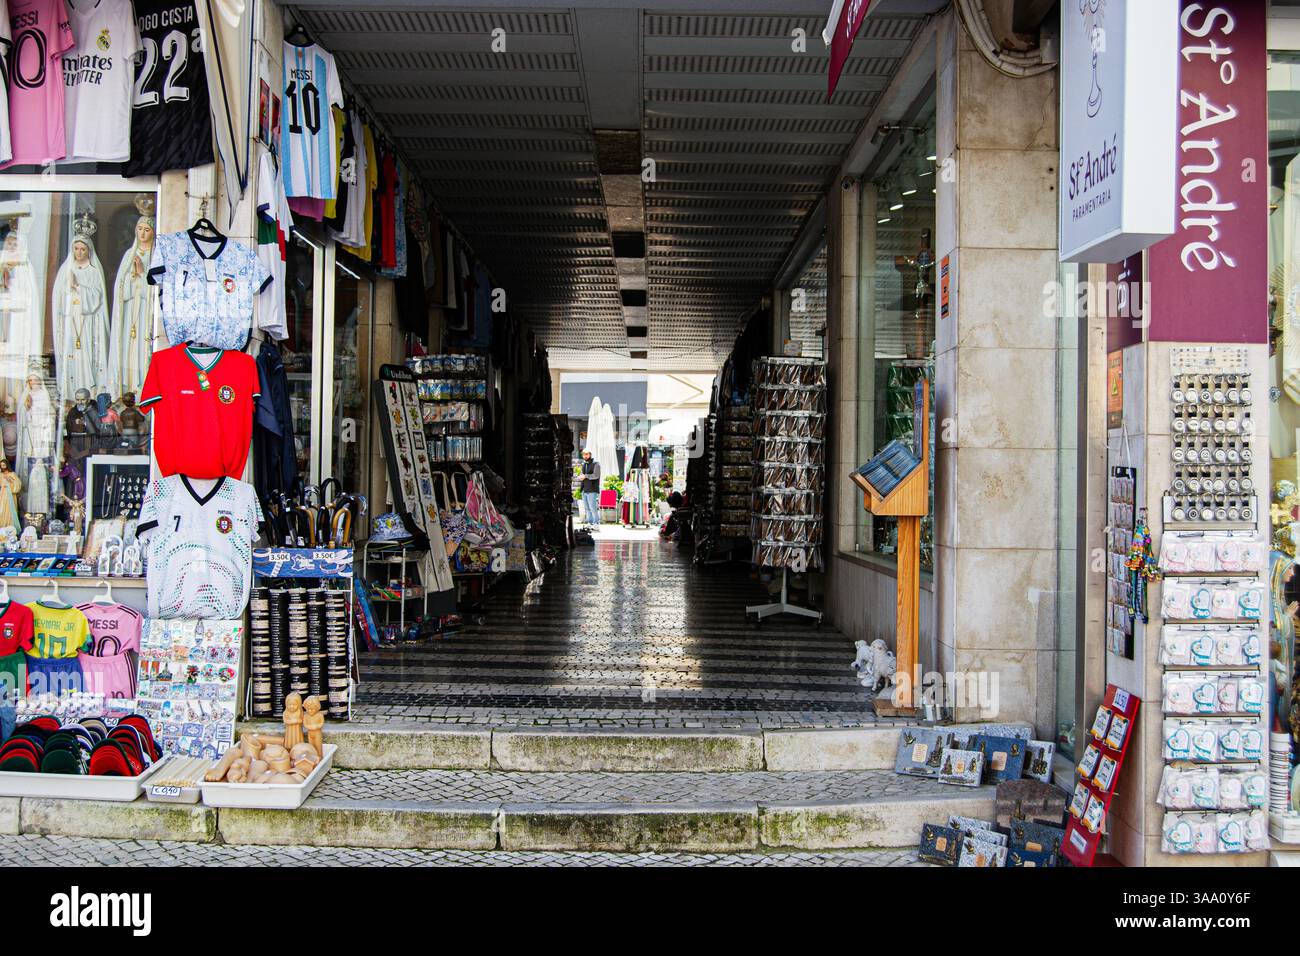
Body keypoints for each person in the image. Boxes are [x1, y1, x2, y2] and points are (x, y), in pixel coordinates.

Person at [579, 448, 601, 528]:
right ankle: (590, 522)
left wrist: (585, 476)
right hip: (584, 489)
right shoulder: (584, 464)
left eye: (586, 454)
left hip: (592, 489)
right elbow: (582, 474)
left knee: (593, 507)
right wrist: (581, 476)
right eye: (583, 454)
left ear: (590, 454)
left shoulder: (596, 464)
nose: (585, 456)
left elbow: (596, 475)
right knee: (587, 508)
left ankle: (596, 523)